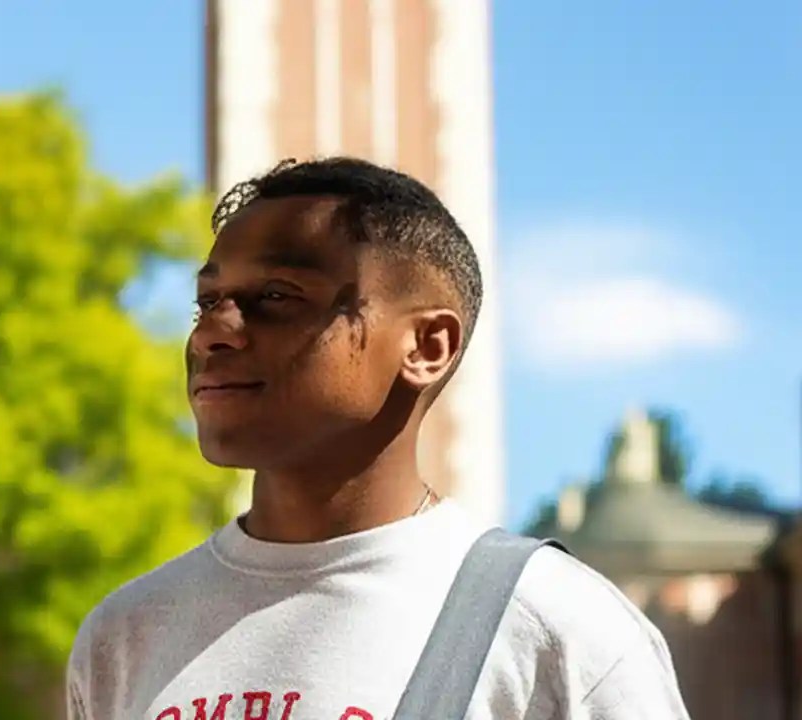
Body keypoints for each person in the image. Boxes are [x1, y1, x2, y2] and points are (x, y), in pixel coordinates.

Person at [66, 157, 691, 720]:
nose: (213, 333)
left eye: (278, 296)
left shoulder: (556, 630)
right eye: (207, 302)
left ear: (426, 346)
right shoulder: (125, 635)